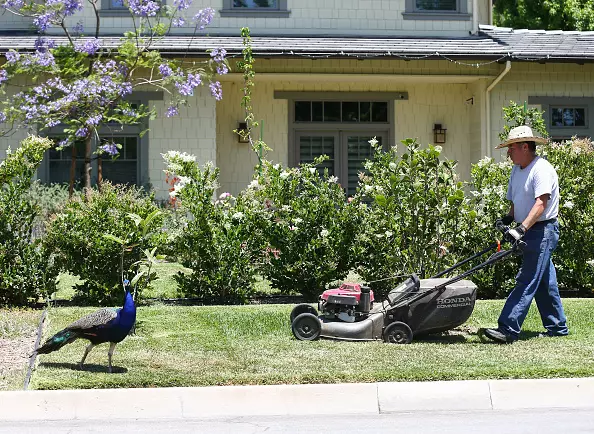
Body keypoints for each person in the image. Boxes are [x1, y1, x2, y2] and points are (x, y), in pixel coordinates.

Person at [482, 125, 569, 344]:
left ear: (524, 147)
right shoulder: (517, 169)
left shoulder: (541, 169)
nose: (508, 152)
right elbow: (517, 202)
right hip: (530, 229)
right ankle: (558, 327)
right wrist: (508, 219)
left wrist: (521, 229)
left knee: (527, 279)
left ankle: (508, 328)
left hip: (543, 231)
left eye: (511, 148)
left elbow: (541, 203)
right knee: (544, 282)